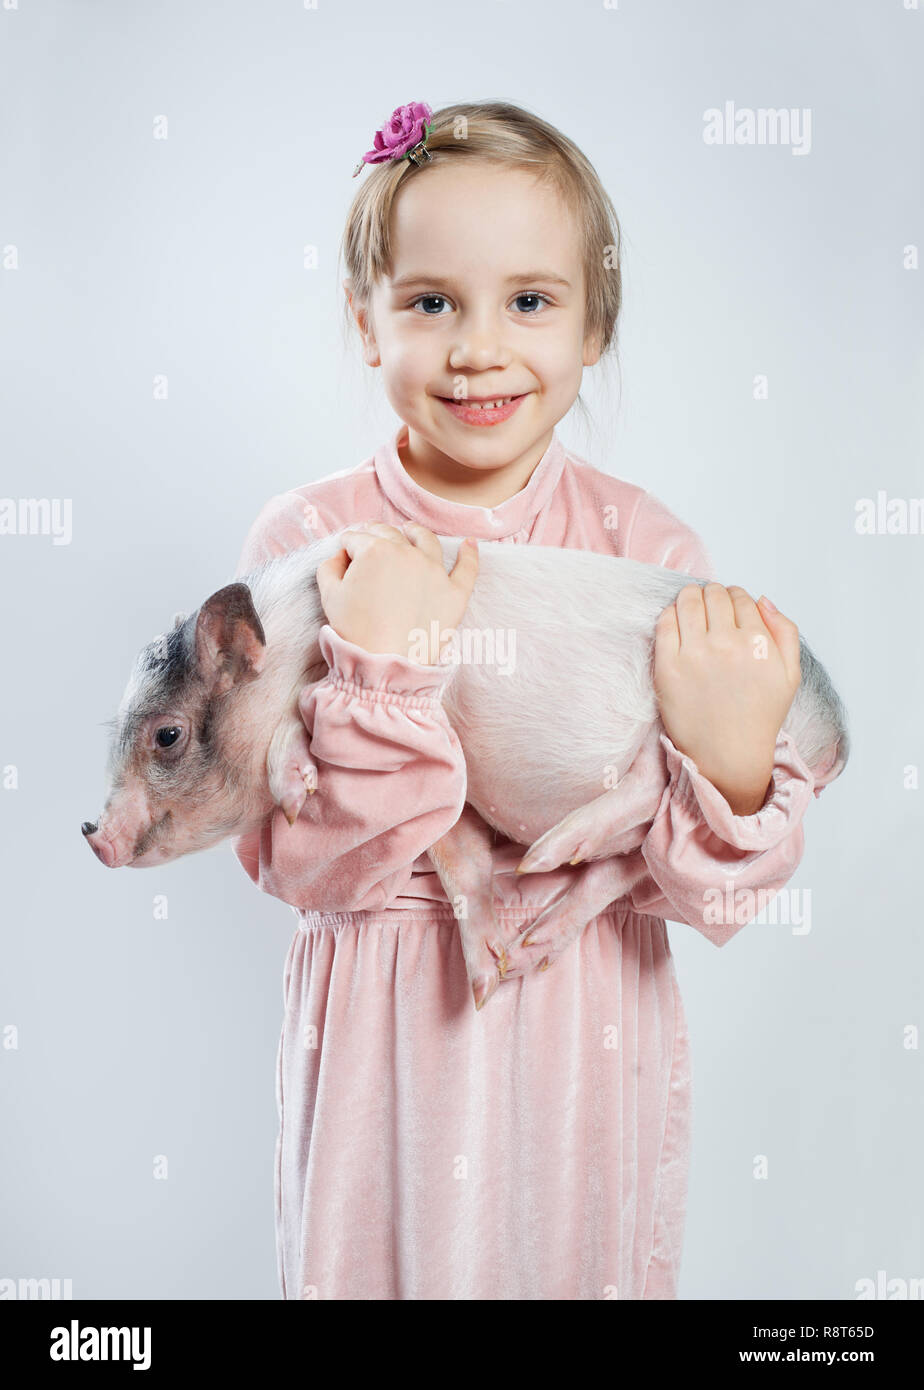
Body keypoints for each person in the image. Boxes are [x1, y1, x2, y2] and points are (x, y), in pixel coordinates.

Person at [231, 100, 840, 1300]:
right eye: (429, 302)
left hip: (581, 1019)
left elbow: (703, 888)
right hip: (385, 1025)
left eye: (528, 300)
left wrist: (729, 769)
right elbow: (306, 864)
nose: (477, 347)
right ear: (366, 319)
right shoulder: (304, 543)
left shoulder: (642, 545)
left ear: (593, 323)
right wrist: (383, 672)